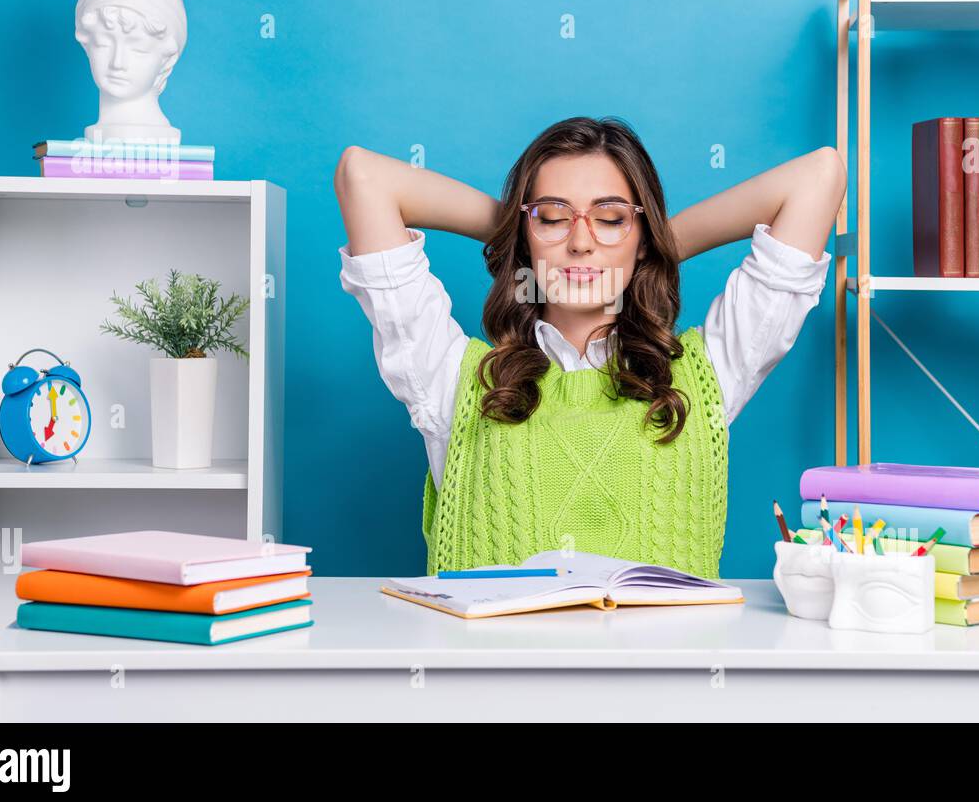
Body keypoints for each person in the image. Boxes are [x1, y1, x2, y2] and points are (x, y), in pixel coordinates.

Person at [334, 116, 845, 577]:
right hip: (494, 679)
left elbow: (819, 177)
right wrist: (520, 226)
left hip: (667, 680)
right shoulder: (450, 379)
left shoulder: (710, 372)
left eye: (611, 217)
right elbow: (364, 177)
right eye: (554, 217)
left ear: (641, 235)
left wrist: (654, 246)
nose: (580, 242)